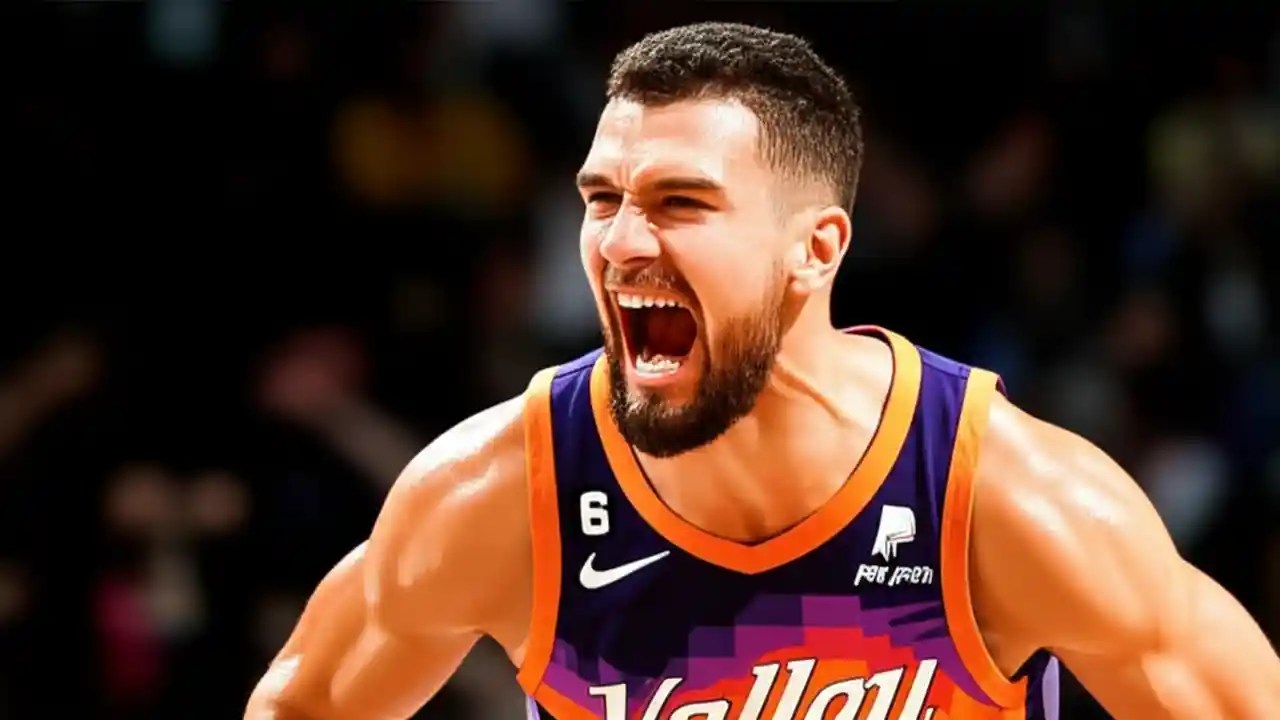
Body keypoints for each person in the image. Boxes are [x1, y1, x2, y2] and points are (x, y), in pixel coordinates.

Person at [244, 22, 1280, 720]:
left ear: (815, 249)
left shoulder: (1008, 506)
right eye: (601, 199)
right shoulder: (498, 496)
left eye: (682, 203)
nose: (618, 241)